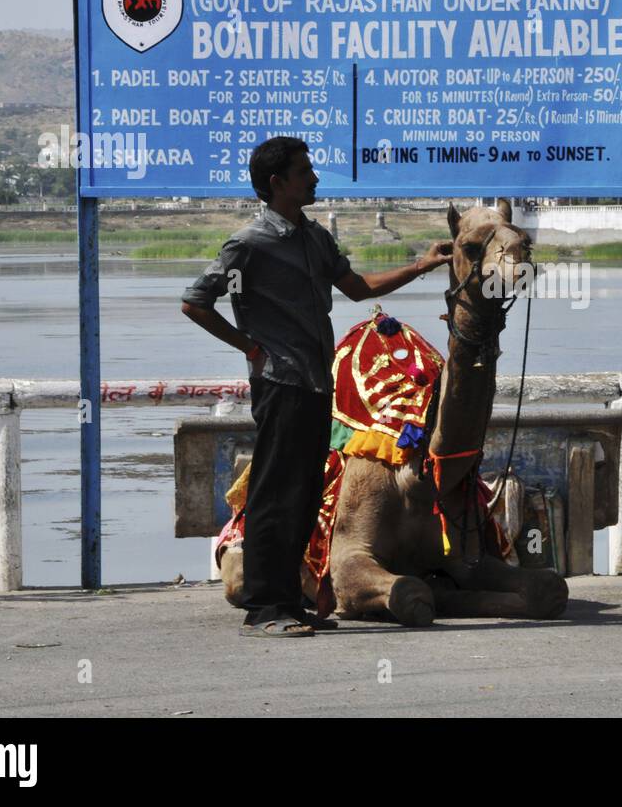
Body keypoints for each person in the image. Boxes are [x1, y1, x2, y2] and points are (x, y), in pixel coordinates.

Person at [180, 136, 453, 637]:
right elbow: (197, 302)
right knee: (273, 494)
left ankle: (289, 600)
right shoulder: (249, 245)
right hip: (279, 383)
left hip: (314, 383)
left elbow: (358, 289)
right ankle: (263, 608)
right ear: (277, 182)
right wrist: (250, 347)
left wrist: (422, 264)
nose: (315, 177)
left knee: (306, 493)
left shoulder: (315, 239)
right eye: (305, 171)